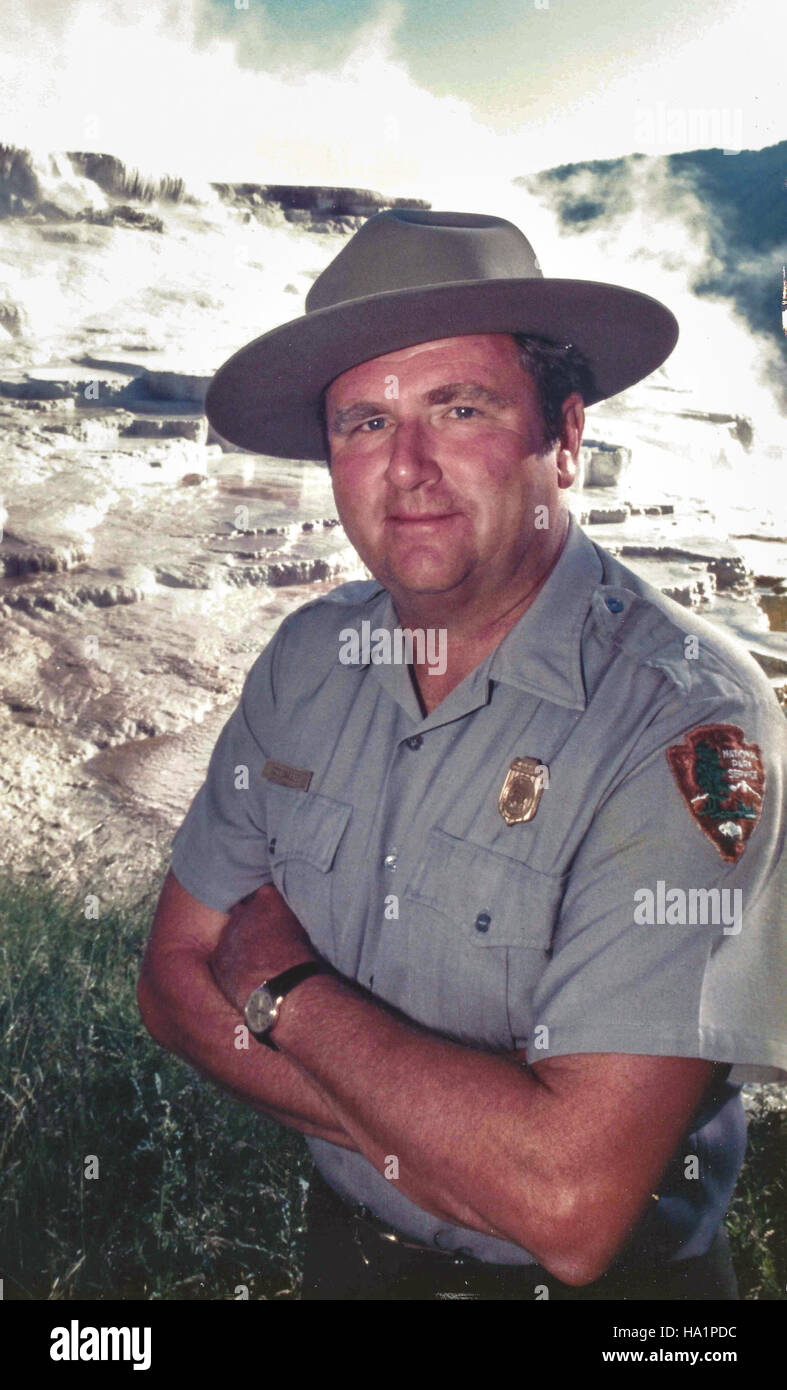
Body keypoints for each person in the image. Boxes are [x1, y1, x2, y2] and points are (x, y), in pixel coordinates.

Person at [137, 209, 785, 1301]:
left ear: (565, 435)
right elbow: (171, 980)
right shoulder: (306, 663)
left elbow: (571, 1211)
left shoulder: (687, 723)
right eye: (364, 423)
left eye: (461, 407)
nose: (409, 469)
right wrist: (459, 1146)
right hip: (344, 1263)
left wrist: (285, 987)